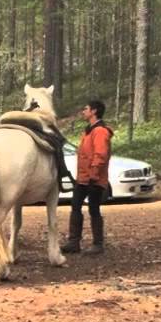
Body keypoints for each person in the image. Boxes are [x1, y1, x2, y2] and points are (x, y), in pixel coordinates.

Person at [61, 100, 112, 255]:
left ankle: (98, 244)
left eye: (86, 109)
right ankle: (73, 242)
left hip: (93, 178)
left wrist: (94, 174)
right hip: (83, 178)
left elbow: (101, 154)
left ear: (94, 111)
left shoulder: (100, 131)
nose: (83, 111)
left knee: (93, 209)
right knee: (75, 205)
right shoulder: (88, 130)